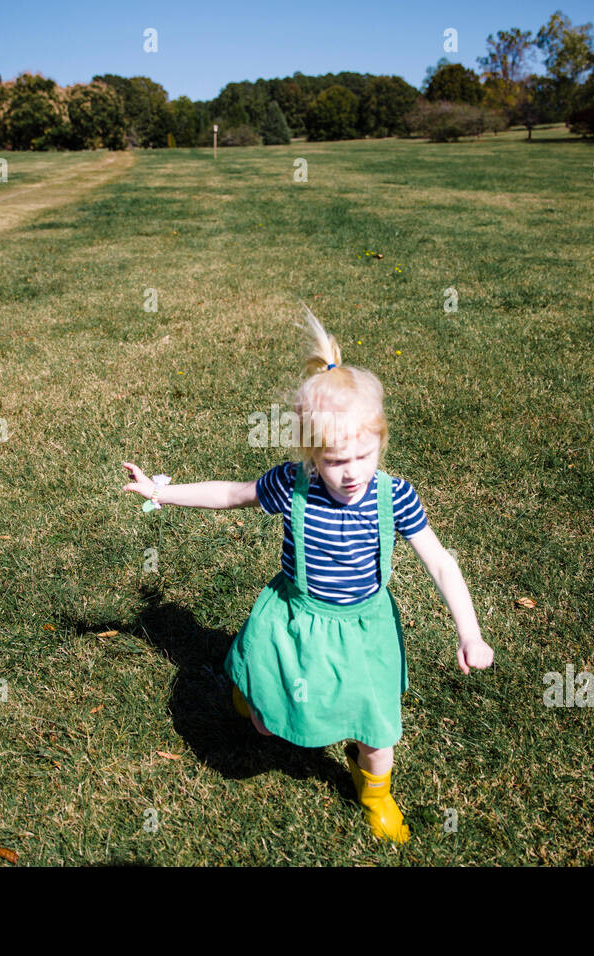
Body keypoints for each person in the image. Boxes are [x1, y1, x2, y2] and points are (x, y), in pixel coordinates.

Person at [121, 306, 493, 843]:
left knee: (376, 725)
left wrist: (469, 630)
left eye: (363, 455)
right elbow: (231, 494)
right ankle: (251, 690)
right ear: (310, 454)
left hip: (365, 631)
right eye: (334, 460)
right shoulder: (292, 487)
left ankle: (375, 793)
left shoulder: (395, 497)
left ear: (380, 442)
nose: (351, 473)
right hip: (296, 619)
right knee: (265, 722)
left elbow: (440, 560)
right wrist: (161, 491)